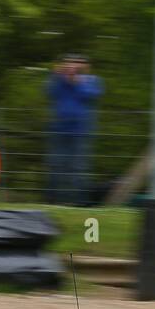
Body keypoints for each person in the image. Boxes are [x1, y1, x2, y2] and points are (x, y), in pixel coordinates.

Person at [46, 53, 103, 204]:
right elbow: (50, 92)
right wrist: (56, 76)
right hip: (59, 128)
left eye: (77, 63)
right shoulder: (59, 81)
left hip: (81, 130)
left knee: (78, 167)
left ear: (86, 66)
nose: (72, 66)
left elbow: (91, 95)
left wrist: (77, 81)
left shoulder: (93, 80)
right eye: (69, 63)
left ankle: (79, 201)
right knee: (56, 165)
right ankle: (53, 201)